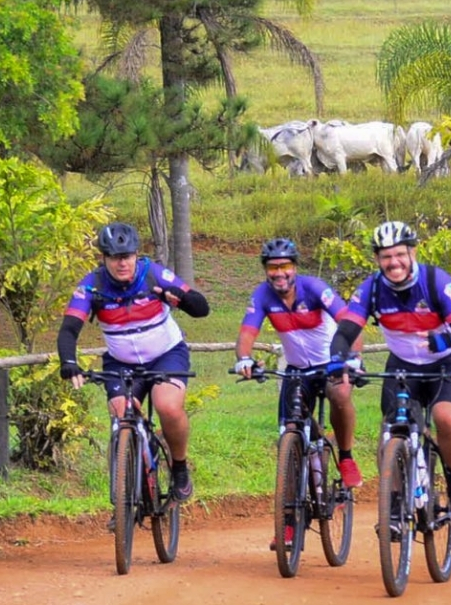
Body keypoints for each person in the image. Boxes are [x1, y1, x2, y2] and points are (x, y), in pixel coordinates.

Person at [329, 221, 451, 525]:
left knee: (447, 418)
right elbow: (345, 331)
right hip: (402, 364)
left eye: (399, 254)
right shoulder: (371, 288)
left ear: (412, 252)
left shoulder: (436, 282)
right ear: (377, 259)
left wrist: (446, 339)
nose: (393, 262)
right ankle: (396, 502)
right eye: (386, 256)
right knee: (390, 432)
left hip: (446, 360)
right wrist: (338, 359)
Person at [57, 222, 210, 501]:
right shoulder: (92, 286)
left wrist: (181, 300)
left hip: (166, 354)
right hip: (121, 362)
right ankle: (127, 496)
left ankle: (179, 467)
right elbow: (69, 330)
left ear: (136, 255)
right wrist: (68, 361)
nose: (122, 263)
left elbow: (202, 308)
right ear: (104, 258)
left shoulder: (153, 274)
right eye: (115, 258)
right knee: (120, 413)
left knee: (167, 406)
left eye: (127, 256)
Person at [234, 238, 361, 550]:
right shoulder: (262, 295)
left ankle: (345, 458)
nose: (280, 273)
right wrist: (244, 360)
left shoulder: (315, 288)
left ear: (295, 268)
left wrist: (352, 359)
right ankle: (289, 526)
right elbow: (247, 333)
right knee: (289, 438)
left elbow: (350, 321)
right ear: (266, 270)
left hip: (330, 363)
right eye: (273, 267)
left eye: (285, 266)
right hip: (296, 370)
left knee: (341, 395)